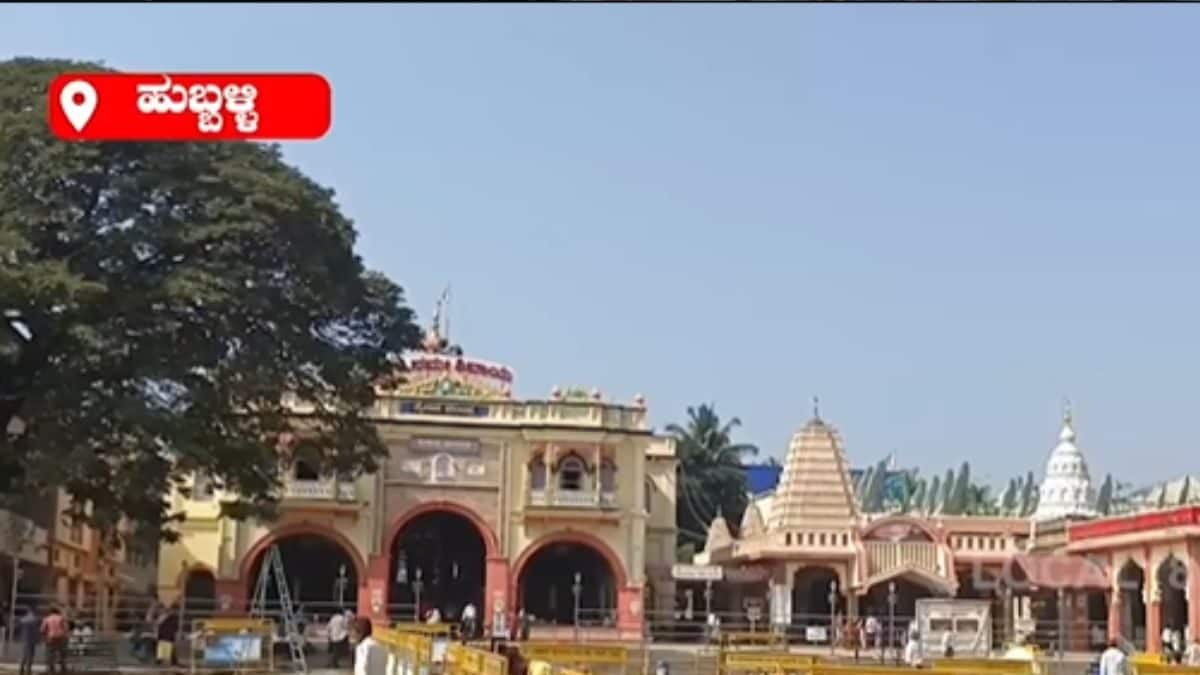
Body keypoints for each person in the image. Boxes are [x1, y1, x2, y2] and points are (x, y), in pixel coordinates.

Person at [40, 605, 68, 675]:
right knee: (61, 653)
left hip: (51, 638)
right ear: (57, 612)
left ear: (50, 612)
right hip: (60, 637)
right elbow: (65, 628)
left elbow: (42, 630)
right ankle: (63, 668)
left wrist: (45, 637)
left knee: (50, 654)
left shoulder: (46, 619)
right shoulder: (61, 618)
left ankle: (51, 669)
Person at [18, 607, 39, 675]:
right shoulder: (35, 619)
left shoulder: (23, 619)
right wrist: (37, 639)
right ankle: (28, 670)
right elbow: (36, 631)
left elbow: (19, 626)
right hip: (32, 640)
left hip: (24, 639)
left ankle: (21, 670)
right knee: (30, 655)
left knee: (24, 655)